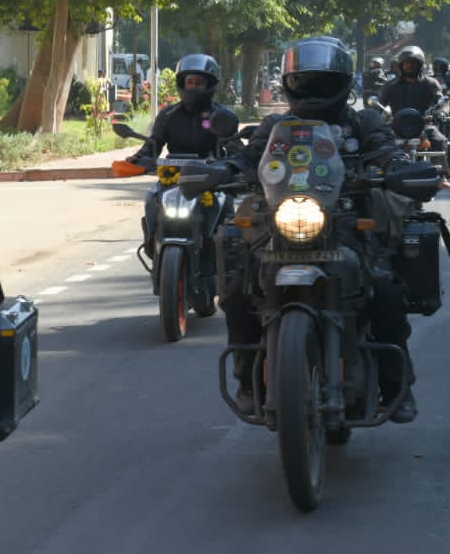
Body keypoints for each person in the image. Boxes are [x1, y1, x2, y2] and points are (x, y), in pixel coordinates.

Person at [218, 36, 422, 422]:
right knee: (238, 293)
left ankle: (398, 386)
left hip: (349, 224)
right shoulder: (276, 125)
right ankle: (247, 381)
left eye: (322, 82)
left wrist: (396, 168)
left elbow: (385, 150)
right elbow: (247, 160)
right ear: (289, 83)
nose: (312, 90)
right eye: (304, 81)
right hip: (284, 224)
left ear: (342, 83)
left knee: (386, 290)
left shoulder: (364, 122)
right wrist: (222, 171)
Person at [125, 54, 224, 259]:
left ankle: (224, 264)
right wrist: (139, 158)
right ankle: (153, 243)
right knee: (153, 199)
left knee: (227, 210)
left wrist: (234, 162)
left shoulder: (221, 115)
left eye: (199, 82)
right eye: (189, 82)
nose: (194, 87)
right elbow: (154, 143)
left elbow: (232, 144)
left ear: (210, 84)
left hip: (211, 180)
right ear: (181, 84)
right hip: (173, 180)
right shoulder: (169, 115)